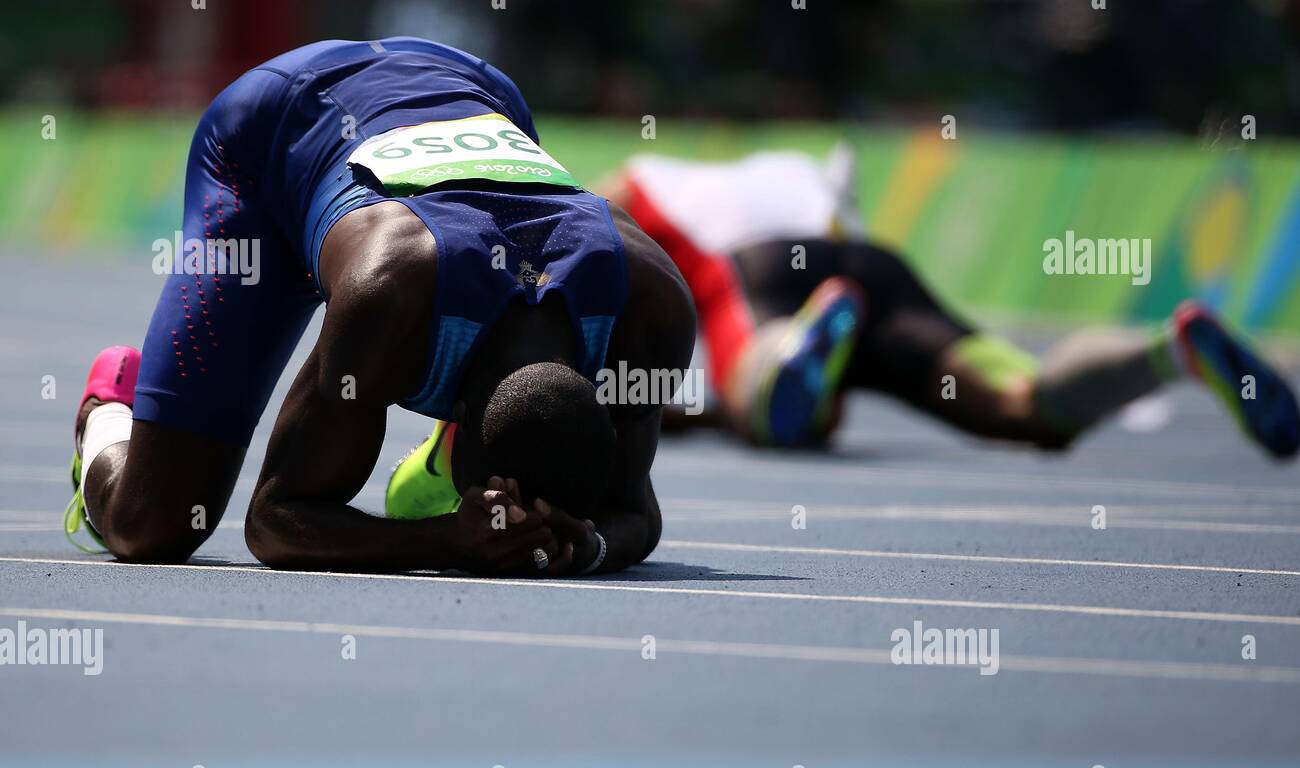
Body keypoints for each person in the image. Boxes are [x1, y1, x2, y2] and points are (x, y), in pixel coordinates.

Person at [66, 38, 695, 576]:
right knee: (152, 526)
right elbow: (276, 519)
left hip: (478, 90)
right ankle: (108, 408)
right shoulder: (390, 296)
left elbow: (635, 510)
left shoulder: (653, 306)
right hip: (273, 128)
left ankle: (455, 468)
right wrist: (446, 540)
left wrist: (587, 545)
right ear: (460, 412)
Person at [600, 149, 1300, 456]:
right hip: (871, 267)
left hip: (754, 270)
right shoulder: (797, 167)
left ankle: (784, 362)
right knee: (1024, 405)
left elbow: (582, 237)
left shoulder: (643, 181)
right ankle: (1166, 349)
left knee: (765, 407)